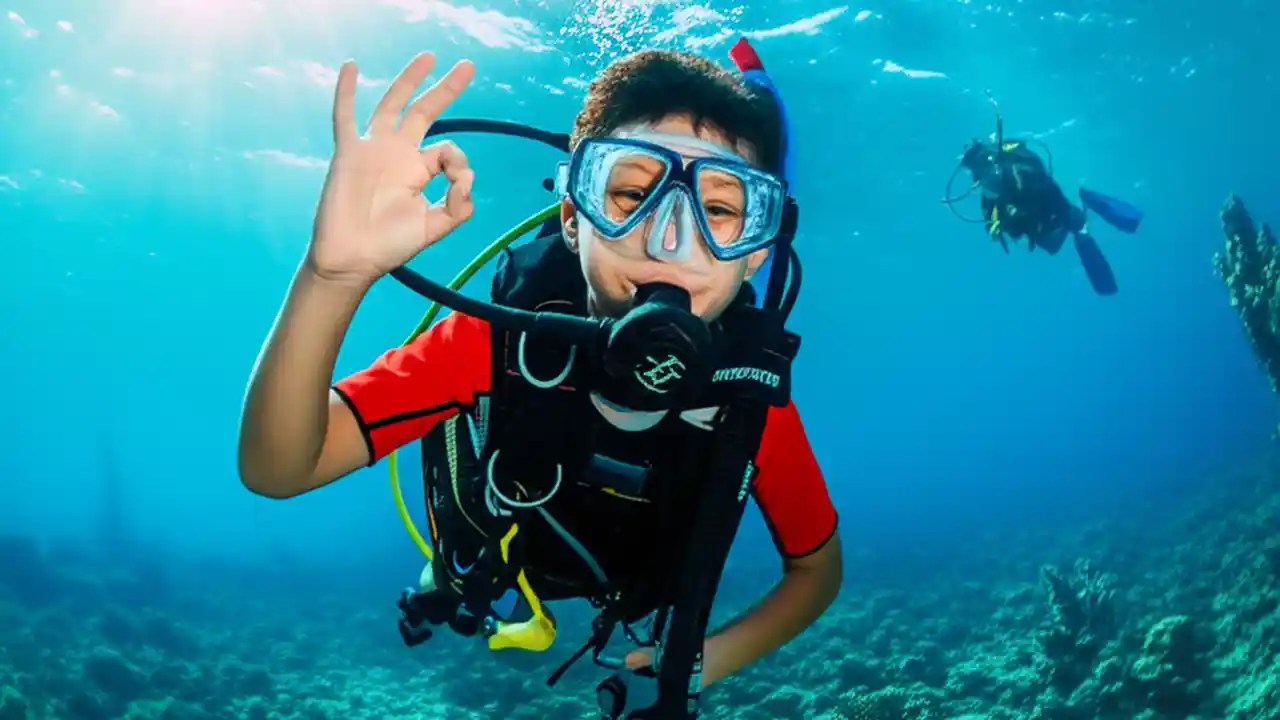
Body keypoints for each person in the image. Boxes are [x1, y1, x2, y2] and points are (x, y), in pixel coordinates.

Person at [237, 37, 841, 720]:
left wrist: (696, 663)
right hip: (504, 549)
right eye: (632, 193)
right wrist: (332, 277)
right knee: (460, 573)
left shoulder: (747, 402)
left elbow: (817, 572)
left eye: (723, 209)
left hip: (632, 588)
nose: (671, 240)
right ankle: (446, 579)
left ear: (756, 255)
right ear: (573, 218)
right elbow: (279, 467)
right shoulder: (498, 341)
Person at [944, 97, 1145, 295]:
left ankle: (1088, 209)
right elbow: (993, 219)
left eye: (971, 172)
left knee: (1078, 224)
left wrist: (1010, 219)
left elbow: (1040, 187)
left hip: (1053, 215)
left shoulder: (1008, 169)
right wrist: (998, 225)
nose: (974, 179)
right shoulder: (993, 183)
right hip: (1049, 217)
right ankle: (1090, 207)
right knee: (1078, 215)